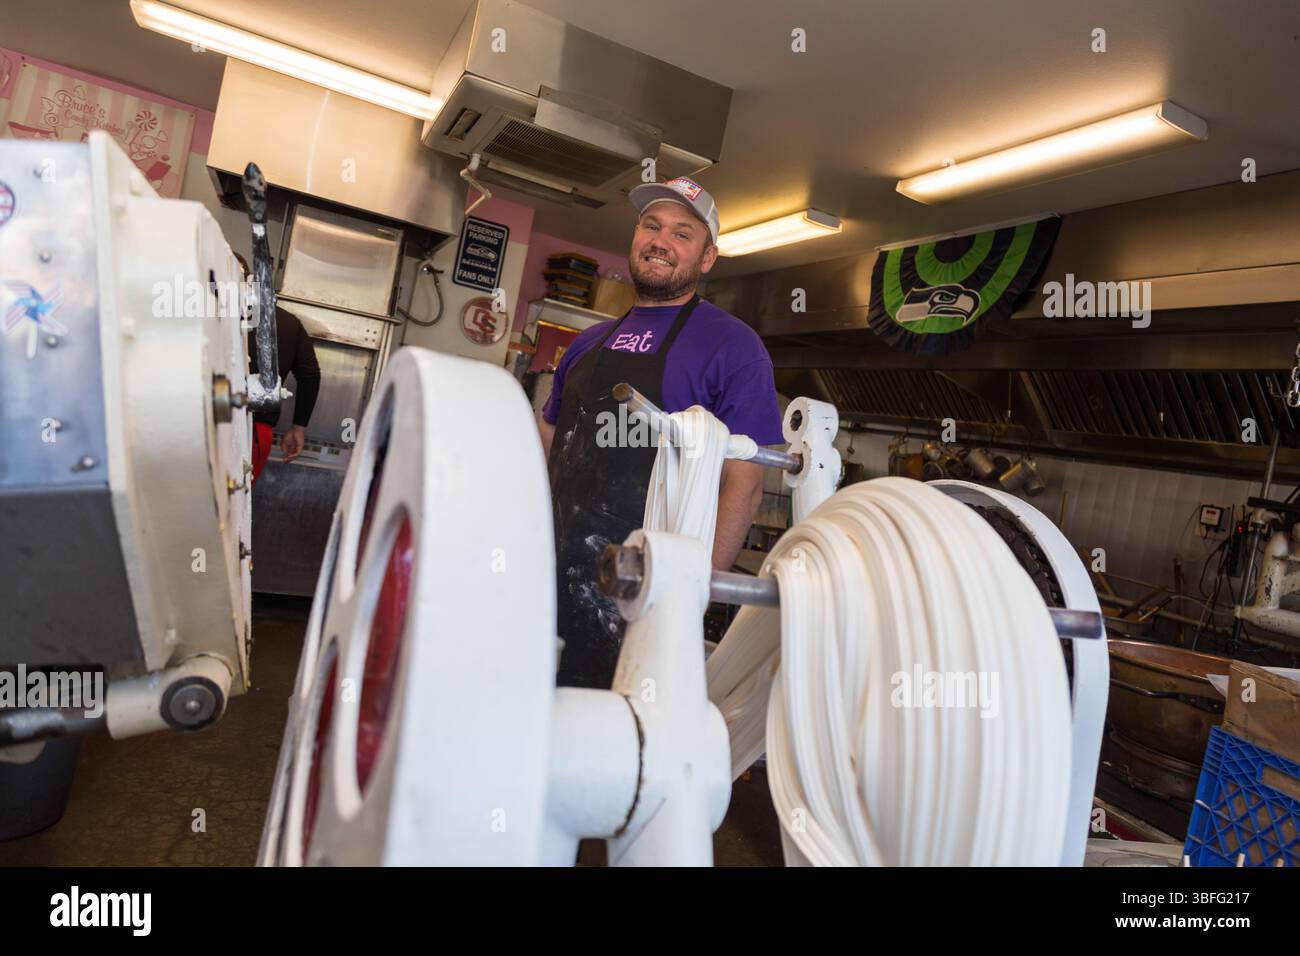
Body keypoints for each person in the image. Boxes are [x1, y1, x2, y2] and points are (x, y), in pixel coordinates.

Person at [538, 177, 784, 689]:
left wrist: (691, 592)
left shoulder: (734, 347)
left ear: (707, 257)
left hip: (643, 589)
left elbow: (744, 481)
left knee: (613, 740)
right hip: (547, 574)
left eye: (682, 234)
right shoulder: (587, 342)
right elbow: (549, 441)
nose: (660, 241)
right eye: (651, 226)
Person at [233, 253, 321, 483]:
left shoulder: (206, 311)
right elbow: (310, 374)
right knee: (234, 506)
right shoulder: (288, 323)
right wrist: (299, 426)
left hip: (203, 422)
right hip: (256, 431)